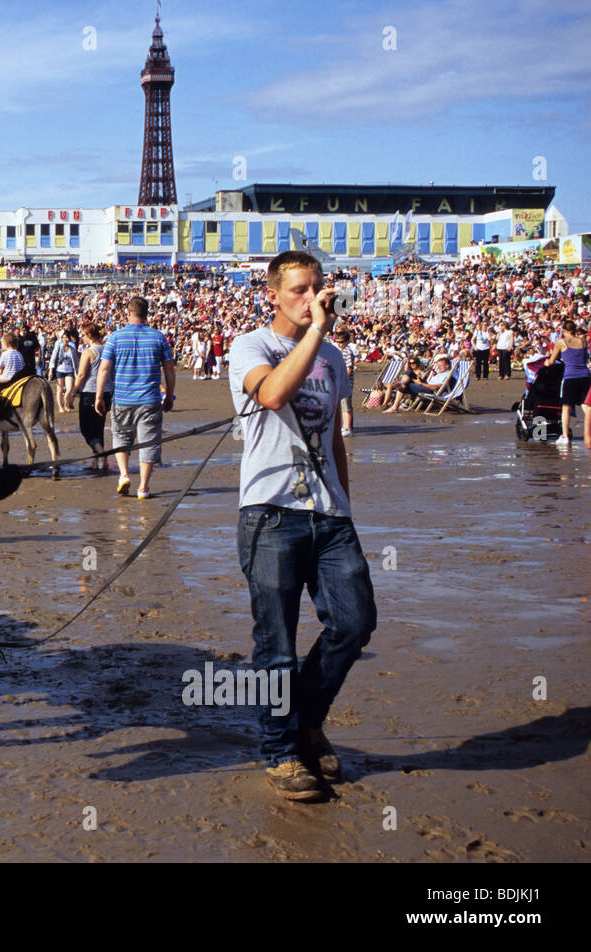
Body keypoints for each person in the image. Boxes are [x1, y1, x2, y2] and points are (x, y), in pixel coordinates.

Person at [227, 250, 377, 803]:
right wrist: (314, 332)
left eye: (318, 288)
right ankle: (282, 752)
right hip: (269, 510)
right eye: (299, 289)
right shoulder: (252, 345)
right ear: (272, 293)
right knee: (277, 643)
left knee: (355, 621)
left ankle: (307, 720)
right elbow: (271, 393)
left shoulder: (334, 356)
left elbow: (334, 438)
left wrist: (345, 503)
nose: (313, 298)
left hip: (328, 513)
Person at [94, 296, 175, 499]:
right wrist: (170, 395)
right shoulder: (158, 337)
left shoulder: (115, 337)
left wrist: (99, 396)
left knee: (121, 437)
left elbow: (104, 369)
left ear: (127, 313)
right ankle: (144, 487)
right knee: (149, 442)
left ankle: (124, 474)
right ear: (147, 314)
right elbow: (169, 369)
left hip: (122, 397)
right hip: (149, 399)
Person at [67, 322, 111, 472]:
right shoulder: (107, 350)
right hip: (106, 392)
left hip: (90, 392)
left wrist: (72, 393)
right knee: (98, 427)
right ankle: (96, 462)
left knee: (86, 428)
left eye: (84, 335)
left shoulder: (88, 352)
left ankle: (102, 455)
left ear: (90, 335)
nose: (82, 338)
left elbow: (81, 375)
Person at [546, 320, 589, 447]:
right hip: (585, 376)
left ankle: (565, 436)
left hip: (570, 377)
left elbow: (552, 360)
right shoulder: (583, 341)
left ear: (564, 330)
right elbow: (585, 357)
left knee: (566, 407)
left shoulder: (561, 342)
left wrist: (546, 363)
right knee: (586, 406)